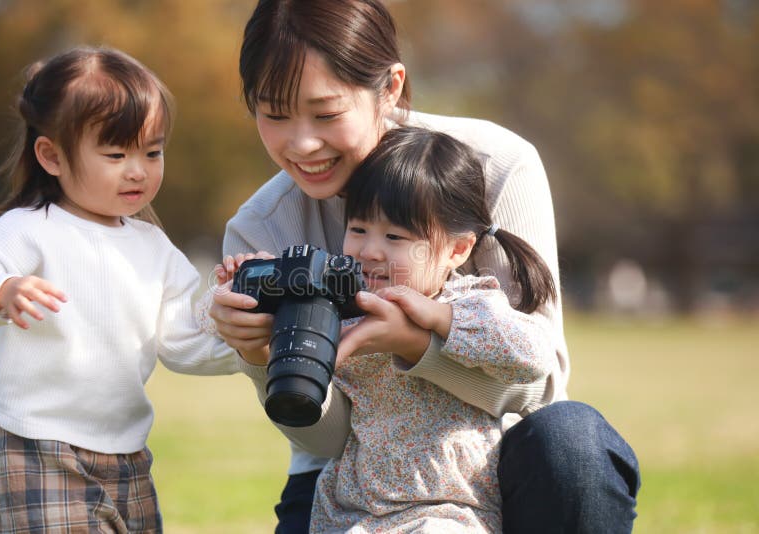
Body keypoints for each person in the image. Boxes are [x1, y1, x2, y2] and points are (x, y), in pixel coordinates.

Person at [209, 1, 640, 532]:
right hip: (350, 480)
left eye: (326, 113)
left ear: (389, 88)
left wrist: (416, 343)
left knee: (574, 442)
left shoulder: (494, 165)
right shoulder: (261, 228)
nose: (302, 144)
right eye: (273, 114)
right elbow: (320, 441)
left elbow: (538, 387)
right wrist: (257, 354)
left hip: (492, 466)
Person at [0, 45, 238, 533]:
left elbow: (182, 344)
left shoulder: (156, 250)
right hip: (33, 445)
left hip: (126, 453)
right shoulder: (28, 230)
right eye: (115, 154)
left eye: (153, 152)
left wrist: (245, 339)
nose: (138, 170)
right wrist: (0, 290)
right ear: (51, 156)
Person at [308, 125, 559, 532]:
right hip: (355, 510)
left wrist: (436, 320)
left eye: (394, 236)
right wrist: (245, 291)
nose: (370, 251)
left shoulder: (468, 302)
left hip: (449, 509)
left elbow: (534, 357)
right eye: (358, 229)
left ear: (458, 249)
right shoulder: (343, 306)